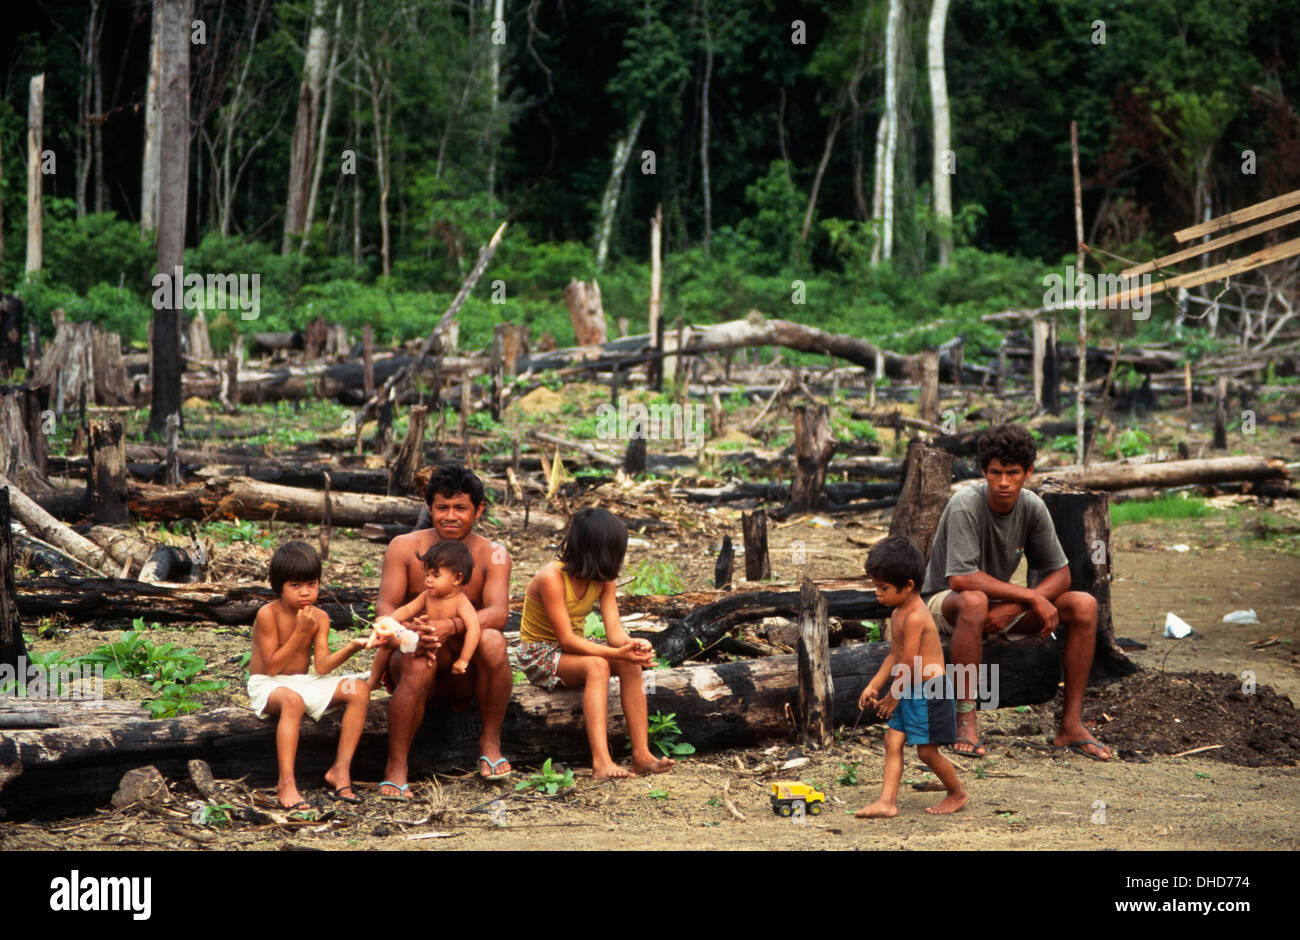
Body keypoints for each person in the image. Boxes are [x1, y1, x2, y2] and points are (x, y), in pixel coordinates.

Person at [922, 423, 1112, 760]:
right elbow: (961, 580)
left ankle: (1070, 723)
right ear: (984, 471)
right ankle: (965, 717)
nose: (1004, 482)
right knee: (975, 600)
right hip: (944, 605)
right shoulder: (967, 504)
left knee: (1083, 605)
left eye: (1013, 472)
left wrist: (1017, 605)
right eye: (995, 472)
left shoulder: (1031, 506)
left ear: (1029, 472)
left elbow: (1062, 573)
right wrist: (1030, 597)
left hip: (997, 604)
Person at [372, 465, 514, 799]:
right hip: (415, 660)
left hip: (465, 668)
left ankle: (490, 744)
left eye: (460, 508)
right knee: (419, 660)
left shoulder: (494, 553)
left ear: (478, 510)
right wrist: (414, 634)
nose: (450, 516)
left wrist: (450, 627)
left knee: (493, 641)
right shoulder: (403, 547)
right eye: (442, 507)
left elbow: (498, 613)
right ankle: (396, 767)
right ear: (429, 508)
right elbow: (385, 609)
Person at [518, 506, 675, 780]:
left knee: (628, 665)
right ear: (596, 551)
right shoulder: (551, 577)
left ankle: (641, 754)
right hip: (540, 654)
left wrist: (632, 647)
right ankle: (601, 762)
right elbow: (566, 640)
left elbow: (614, 632)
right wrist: (616, 652)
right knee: (598, 666)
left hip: (574, 648)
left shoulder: (603, 578)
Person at [246, 541, 370, 811]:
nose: (305, 593)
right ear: (279, 586)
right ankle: (286, 782)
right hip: (267, 683)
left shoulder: (320, 617)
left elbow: (322, 667)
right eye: (295, 586)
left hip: (301, 683)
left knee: (358, 690)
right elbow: (272, 668)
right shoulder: (268, 614)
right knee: (293, 702)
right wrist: (301, 632)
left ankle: (340, 770)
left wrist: (351, 647)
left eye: (311, 584)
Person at [855, 537, 967, 818]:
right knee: (892, 741)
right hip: (910, 686)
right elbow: (894, 655)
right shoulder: (898, 613)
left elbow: (911, 661)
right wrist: (874, 685)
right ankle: (887, 802)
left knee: (927, 752)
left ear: (908, 586)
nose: (877, 594)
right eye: (876, 587)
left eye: (883, 588)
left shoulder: (917, 615)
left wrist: (893, 696)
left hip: (929, 690)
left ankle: (957, 792)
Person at [368, 541, 480, 684]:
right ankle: (374, 679)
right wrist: (390, 620)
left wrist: (463, 659)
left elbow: (474, 629)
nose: (428, 580)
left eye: (435, 575)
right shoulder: (427, 595)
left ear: (457, 578)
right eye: (427, 574)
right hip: (419, 643)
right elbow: (408, 609)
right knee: (390, 636)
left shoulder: (460, 601)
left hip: (443, 651)